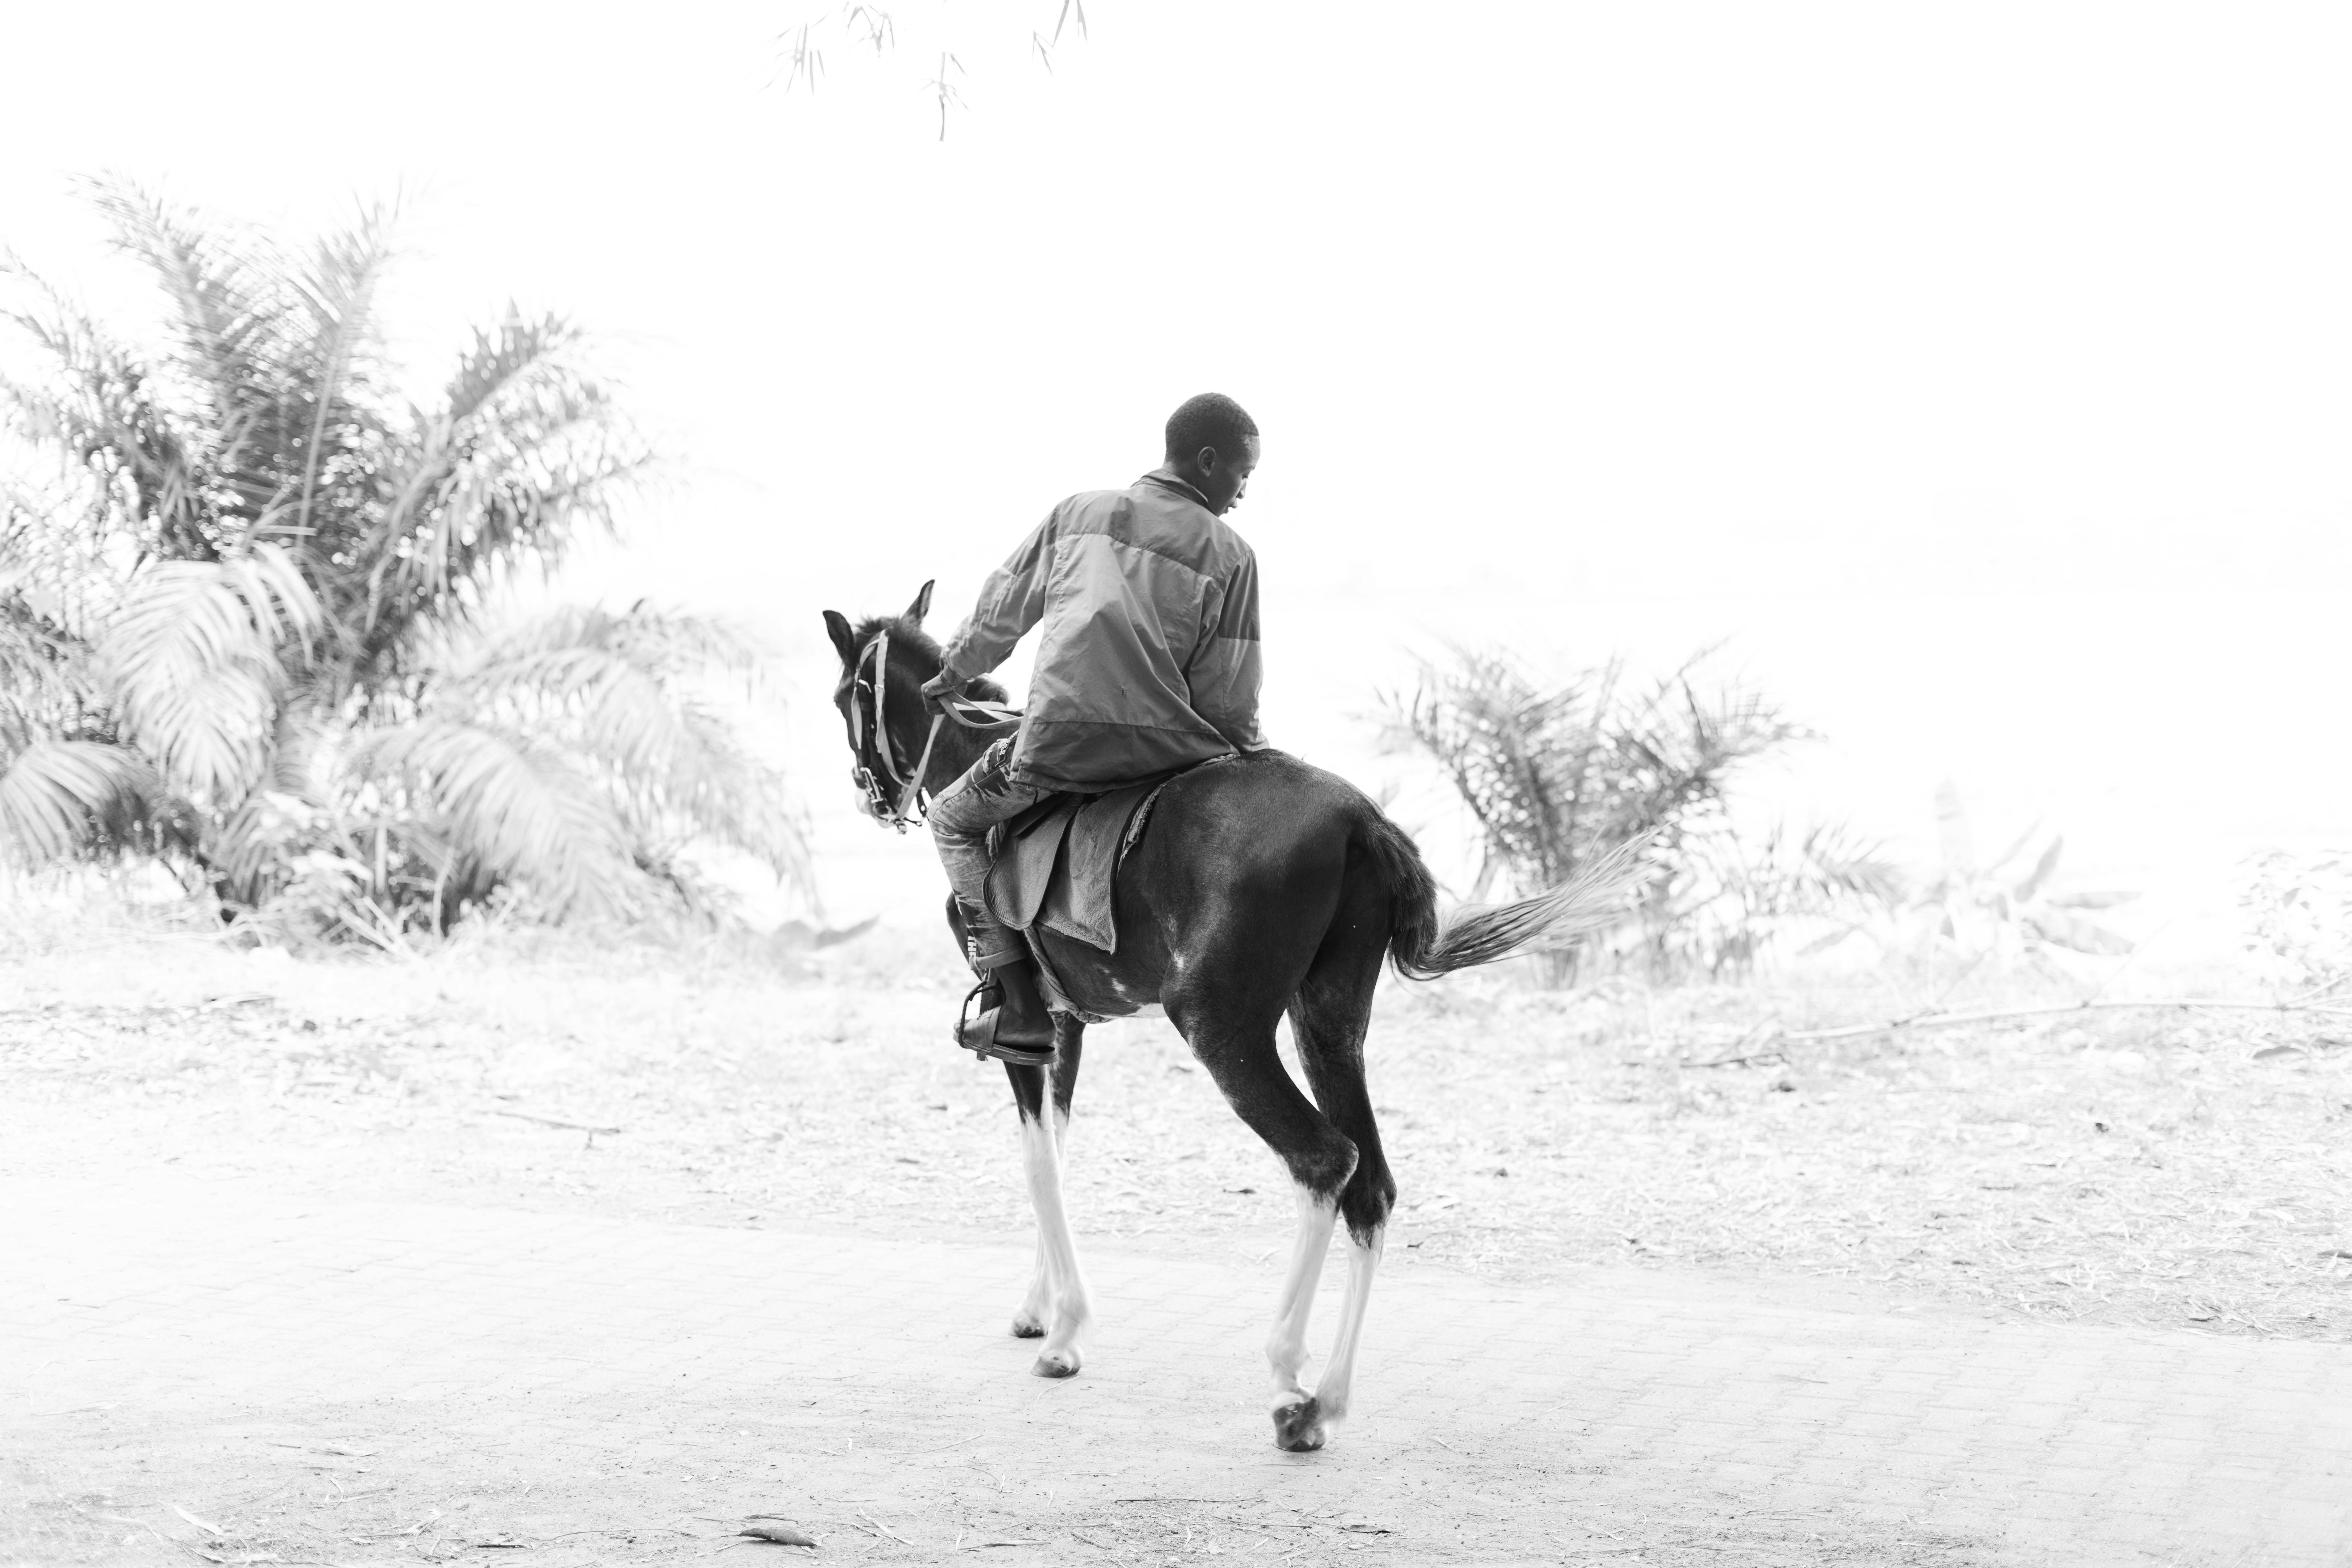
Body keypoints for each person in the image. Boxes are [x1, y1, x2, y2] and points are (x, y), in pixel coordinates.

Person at [919, 392, 1270, 1062]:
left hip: (1057, 748)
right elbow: (1230, 692)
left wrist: (954, 673)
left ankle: (1017, 1001)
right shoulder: (1232, 554)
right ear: (1205, 461)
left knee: (949, 820)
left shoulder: (1078, 513)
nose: (1244, 490)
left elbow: (1002, 610)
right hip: (1170, 759)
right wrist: (1247, 757)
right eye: (1241, 473)